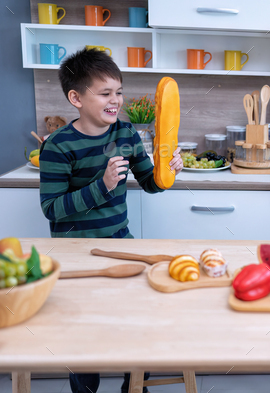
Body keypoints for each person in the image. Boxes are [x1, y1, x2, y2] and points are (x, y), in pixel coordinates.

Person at [39, 48, 183, 393]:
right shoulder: (58, 146)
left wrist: (167, 170)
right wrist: (102, 186)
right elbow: (52, 208)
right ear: (76, 97)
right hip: (76, 252)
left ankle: (134, 387)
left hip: (121, 244)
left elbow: (150, 184)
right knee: (82, 334)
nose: (115, 100)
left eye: (118, 92)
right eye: (105, 93)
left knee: (140, 323)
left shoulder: (126, 134)